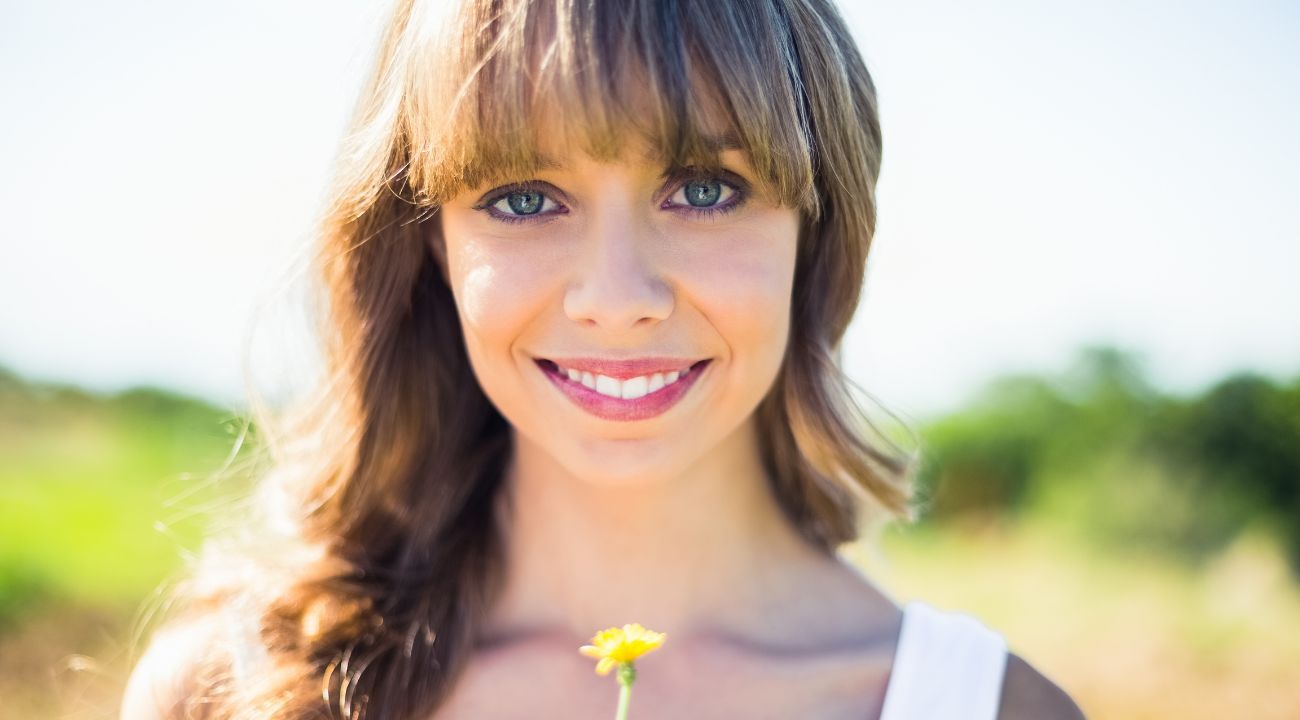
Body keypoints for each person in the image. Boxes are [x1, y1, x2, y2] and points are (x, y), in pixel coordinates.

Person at [122, 0, 1085, 718]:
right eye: (524, 198)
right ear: (428, 245)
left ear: (818, 225)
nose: (617, 300)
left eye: (705, 189)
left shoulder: (982, 707)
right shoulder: (233, 690)